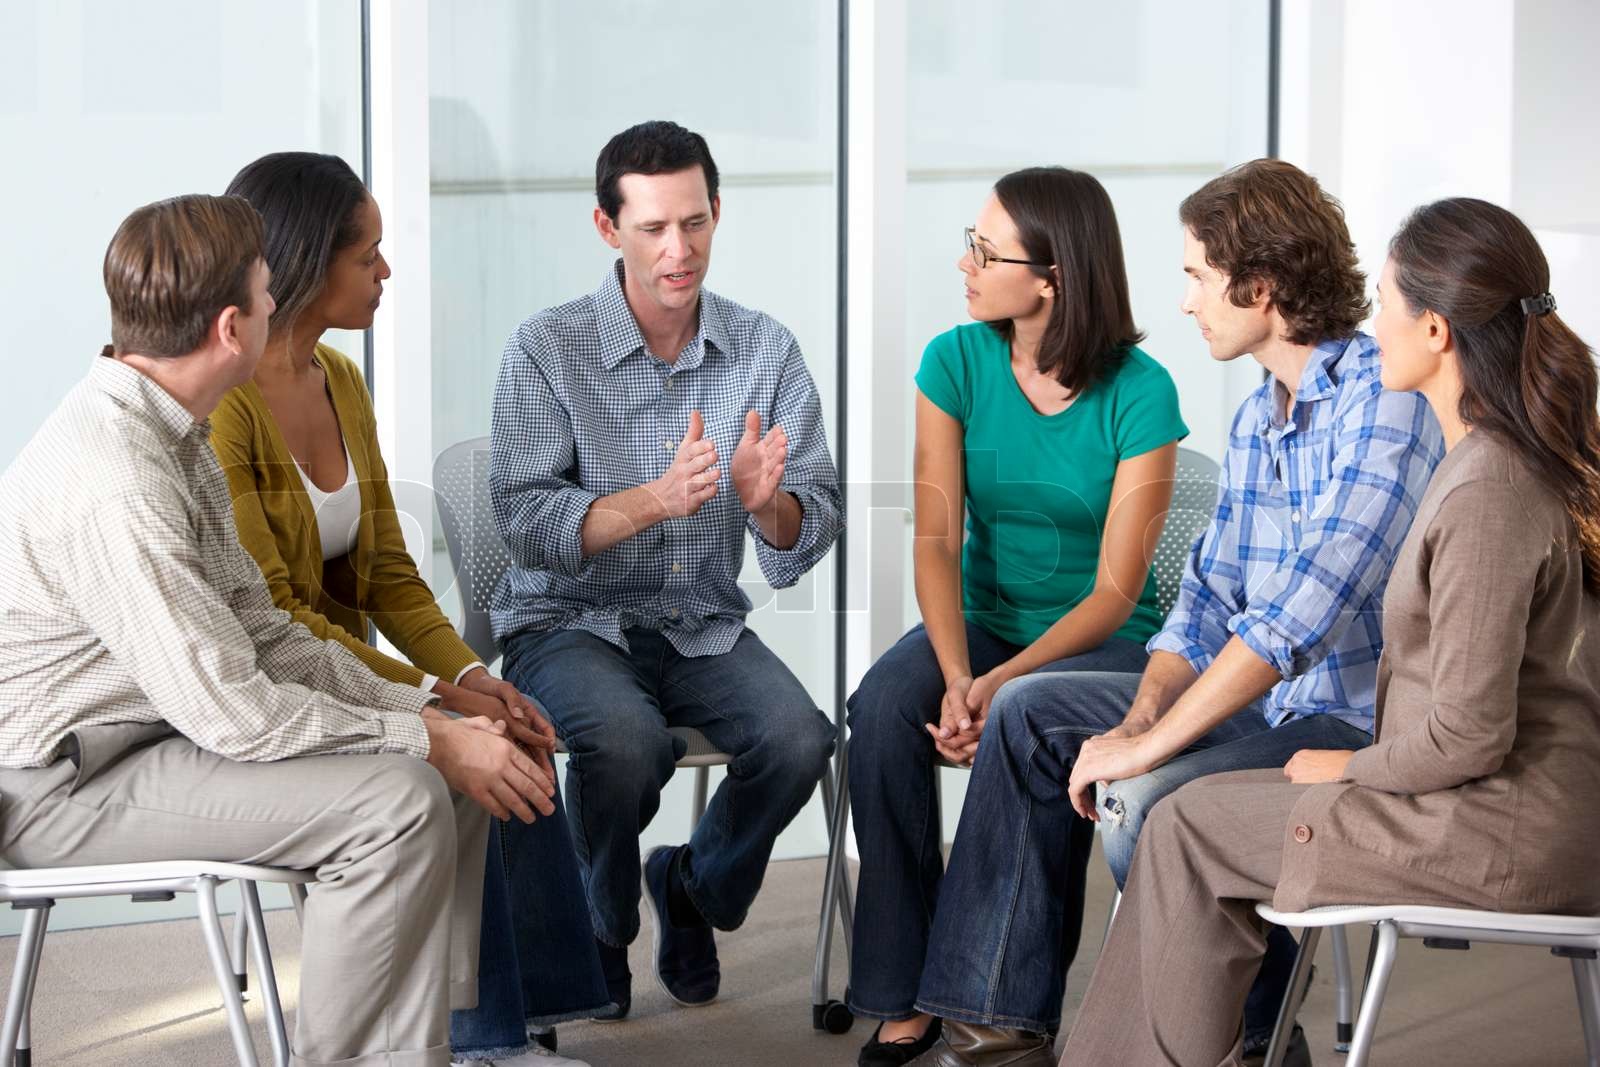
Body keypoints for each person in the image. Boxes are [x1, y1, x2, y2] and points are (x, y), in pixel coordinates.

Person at [906, 159, 1444, 1066]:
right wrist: (1144, 710)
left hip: (1349, 718)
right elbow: (1204, 603)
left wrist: (1149, 744)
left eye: (1198, 275)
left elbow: (1299, 616)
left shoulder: (1384, 402)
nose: (1186, 300)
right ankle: (997, 1026)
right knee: (1027, 710)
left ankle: (1251, 1036)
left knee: (1150, 800)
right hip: (1263, 703)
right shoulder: (1258, 419)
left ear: (1260, 287)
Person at [0, 194, 553, 1066]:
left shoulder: (173, 430)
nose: (275, 304)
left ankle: (435, 1045)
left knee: (439, 767)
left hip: (155, 736)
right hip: (63, 784)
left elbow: (265, 632)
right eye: (265, 292)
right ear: (232, 328)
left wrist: (430, 707)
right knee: (397, 799)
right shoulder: (120, 481)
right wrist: (426, 738)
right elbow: (234, 711)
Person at [1063, 197, 1600, 1066]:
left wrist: (1347, 766)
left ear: (1435, 330)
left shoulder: (1490, 489)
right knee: (1183, 820)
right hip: (1466, 805)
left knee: (1182, 827)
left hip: (1493, 827)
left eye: (1386, 304)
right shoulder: (1479, 464)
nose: (1371, 327)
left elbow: (1468, 734)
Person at [214, 151, 606, 1067]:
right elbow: (273, 614)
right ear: (307, 263)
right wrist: (436, 697)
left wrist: (469, 675)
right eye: (368, 256)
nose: (386, 271)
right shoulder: (227, 407)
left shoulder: (340, 379)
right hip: (275, 689)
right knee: (467, 753)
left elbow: (389, 571)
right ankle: (482, 1041)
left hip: (346, 669)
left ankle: (521, 1020)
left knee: (511, 726)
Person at [489, 120, 841, 1019]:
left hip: (699, 622)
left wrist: (766, 502)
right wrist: (655, 499)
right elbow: (526, 523)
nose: (678, 250)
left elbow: (813, 517)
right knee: (624, 743)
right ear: (608, 228)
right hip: (567, 622)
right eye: (652, 228)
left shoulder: (765, 349)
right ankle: (601, 926)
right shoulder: (546, 347)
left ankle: (688, 887)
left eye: (693, 222)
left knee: (800, 740)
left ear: (717, 212)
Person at [845, 167, 1186, 1067]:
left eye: (985, 251)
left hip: (1104, 643)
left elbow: (1116, 591)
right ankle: (902, 991)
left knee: (1028, 720)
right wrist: (963, 674)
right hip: (983, 624)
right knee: (883, 706)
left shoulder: (1143, 392)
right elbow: (934, 539)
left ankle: (1001, 1004)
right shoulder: (954, 361)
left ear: (1051, 279)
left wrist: (1002, 684)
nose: (964, 263)